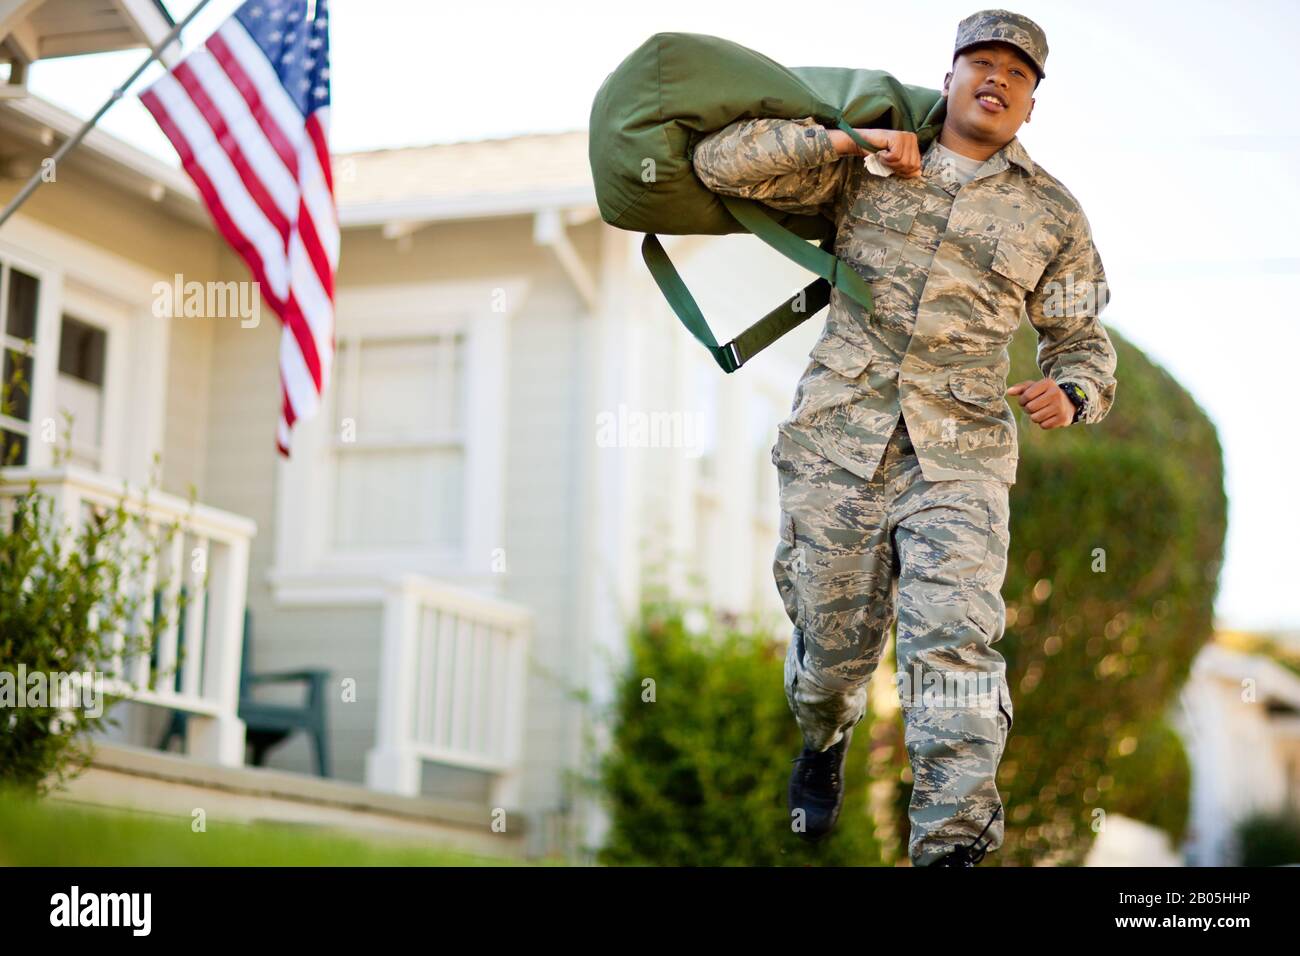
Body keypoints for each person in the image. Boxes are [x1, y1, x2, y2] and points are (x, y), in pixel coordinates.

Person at [691, 8, 1118, 866]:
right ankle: (824, 738)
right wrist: (851, 144)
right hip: (836, 443)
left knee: (952, 642)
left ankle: (952, 847)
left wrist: (1074, 391)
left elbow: (1081, 337)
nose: (997, 80)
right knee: (833, 648)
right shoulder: (875, 156)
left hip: (959, 460)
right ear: (951, 75)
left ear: (1032, 103)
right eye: (982, 63)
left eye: (1018, 73)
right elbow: (718, 164)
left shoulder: (1052, 215)